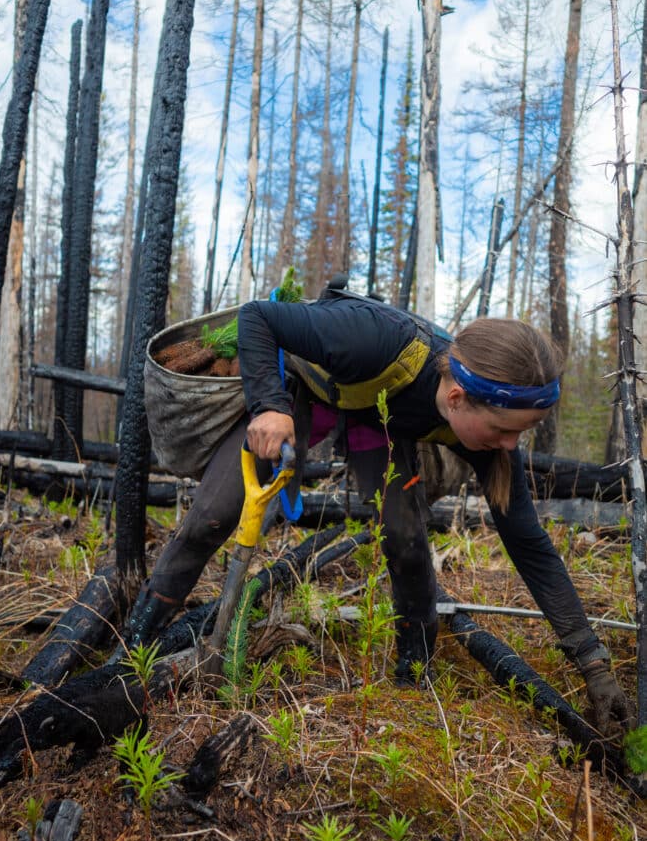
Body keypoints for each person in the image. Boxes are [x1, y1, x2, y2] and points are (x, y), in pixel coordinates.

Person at [122, 280, 631, 735]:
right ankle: (135, 647)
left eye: (522, 431)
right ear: (456, 398)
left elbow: (532, 550)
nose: (510, 445)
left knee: (407, 543)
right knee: (212, 515)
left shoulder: (491, 439)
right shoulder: (372, 337)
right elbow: (259, 316)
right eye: (503, 429)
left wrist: (595, 667)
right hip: (305, 388)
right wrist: (269, 408)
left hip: (379, 421)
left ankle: (414, 678)